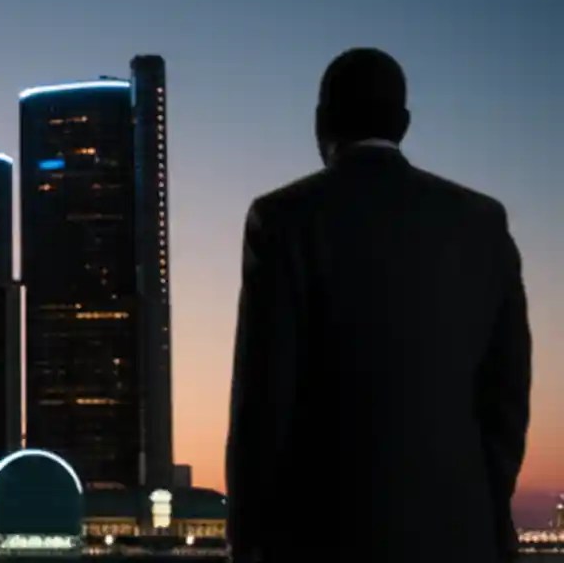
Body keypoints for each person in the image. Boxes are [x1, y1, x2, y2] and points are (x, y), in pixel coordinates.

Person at [226, 48, 531, 563]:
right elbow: (506, 396)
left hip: (319, 537)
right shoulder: (482, 222)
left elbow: (263, 397)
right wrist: (484, 509)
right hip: (460, 536)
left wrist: (248, 535)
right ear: (404, 124)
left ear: (322, 121)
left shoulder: (283, 219)